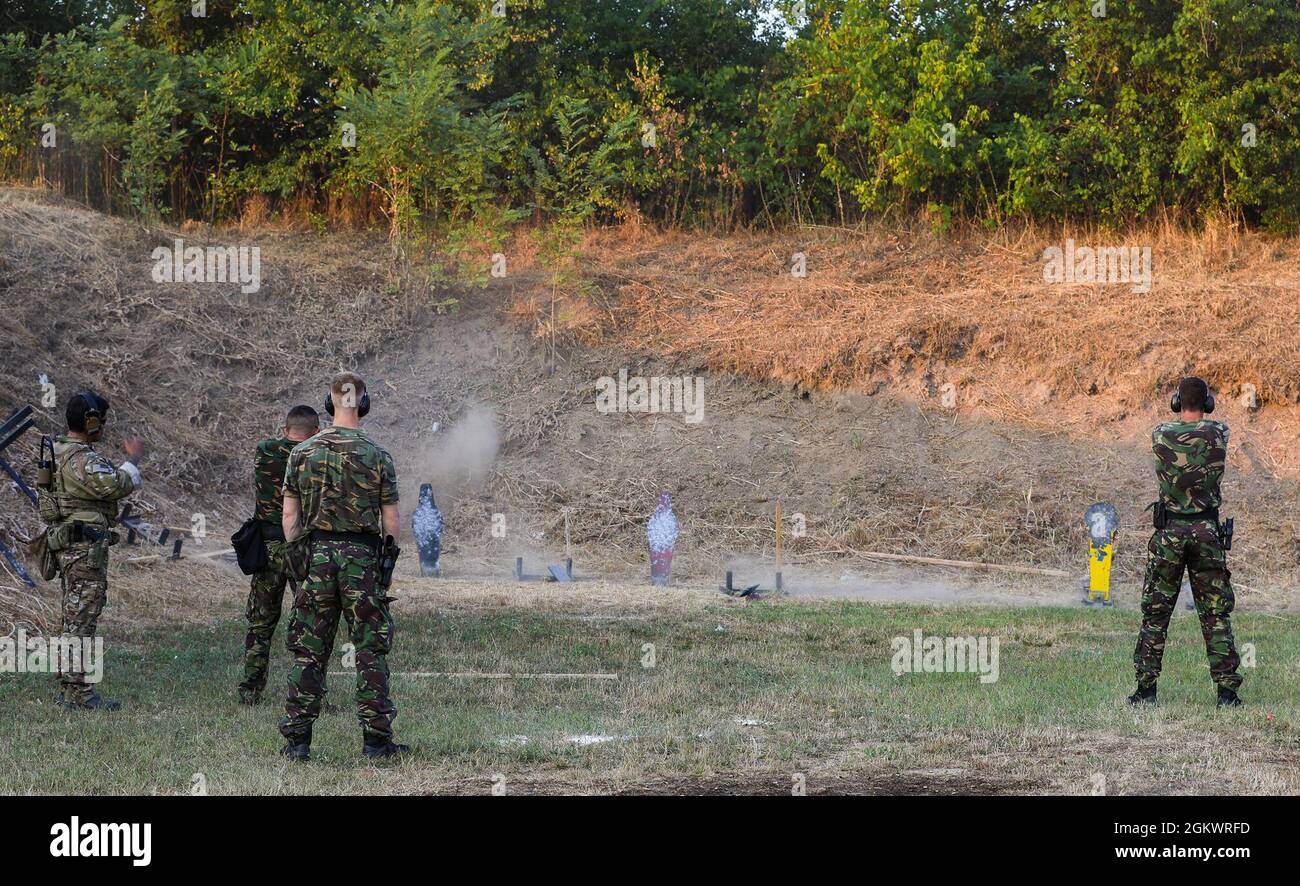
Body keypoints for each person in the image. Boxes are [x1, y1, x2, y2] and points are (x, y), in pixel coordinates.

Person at [278, 372, 407, 760]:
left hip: (317, 556)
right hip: (362, 560)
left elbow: (289, 519)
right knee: (370, 651)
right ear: (363, 404)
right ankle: (376, 743)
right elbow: (392, 521)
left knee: (309, 652)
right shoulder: (378, 453)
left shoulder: (301, 453)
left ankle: (298, 743)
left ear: (329, 402)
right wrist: (385, 565)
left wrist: (303, 564)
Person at [1130, 377, 1243, 707]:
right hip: (1207, 532)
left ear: (1177, 402)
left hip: (1169, 535)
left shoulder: (1160, 434)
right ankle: (1227, 694)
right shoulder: (1219, 432)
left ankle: (1146, 692)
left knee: (1155, 613)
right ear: (1207, 404)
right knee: (1216, 615)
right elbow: (1212, 428)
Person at [43, 391, 143, 710]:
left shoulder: (56, 451)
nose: (103, 426)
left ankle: (68, 687)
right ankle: (79, 694)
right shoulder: (83, 458)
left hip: (68, 543)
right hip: (84, 548)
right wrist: (132, 461)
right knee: (82, 618)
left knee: (73, 616)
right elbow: (115, 484)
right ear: (91, 421)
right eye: (100, 420)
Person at [237, 405, 320, 705]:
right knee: (310, 621)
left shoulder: (265, 451)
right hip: (301, 547)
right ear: (316, 431)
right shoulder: (316, 457)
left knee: (260, 623)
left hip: (269, 547)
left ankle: (250, 690)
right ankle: (309, 692)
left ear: (285, 430)